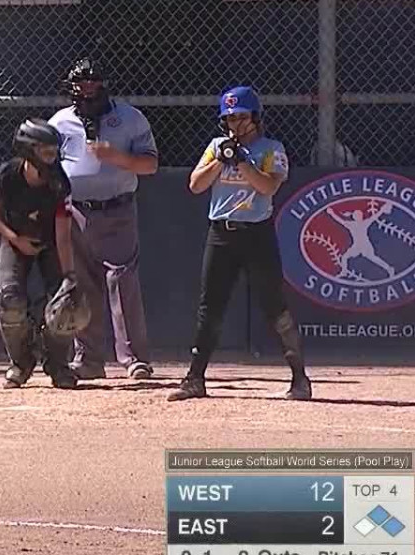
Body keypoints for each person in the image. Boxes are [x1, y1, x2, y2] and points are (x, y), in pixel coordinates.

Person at [168, 86, 312, 402]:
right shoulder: (216, 147)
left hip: (256, 233)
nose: (235, 124)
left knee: (274, 306)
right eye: (230, 118)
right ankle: (195, 378)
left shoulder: (271, 148)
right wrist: (222, 159)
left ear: (255, 118)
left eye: (242, 117)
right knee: (210, 307)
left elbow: (268, 186)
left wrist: (244, 162)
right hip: (221, 233)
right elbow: (195, 185)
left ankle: (300, 378)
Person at [48, 58, 158, 381]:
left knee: (121, 280)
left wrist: (117, 157)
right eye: (81, 85)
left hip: (117, 209)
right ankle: (89, 359)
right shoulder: (60, 123)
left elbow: (150, 164)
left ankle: (135, 359)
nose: (87, 90)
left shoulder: (129, 117)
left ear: (104, 85)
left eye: (93, 84)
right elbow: (48, 164)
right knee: (82, 284)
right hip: (76, 211)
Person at [0, 119, 90, 390]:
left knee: (65, 304)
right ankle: (20, 363)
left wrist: (68, 275)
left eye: (53, 151)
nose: (51, 157)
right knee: (11, 302)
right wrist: (15, 239)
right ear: (28, 150)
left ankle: (58, 365)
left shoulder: (57, 183)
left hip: (50, 244)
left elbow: (63, 232)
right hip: (15, 240)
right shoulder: (5, 176)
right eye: (45, 151)